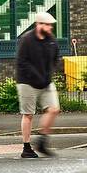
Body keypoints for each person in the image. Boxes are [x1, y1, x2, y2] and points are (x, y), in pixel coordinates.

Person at [15, 10, 61, 158]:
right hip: (27, 82)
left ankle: (42, 141)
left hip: (46, 82)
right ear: (38, 25)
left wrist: (48, 74)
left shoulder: (51, 40)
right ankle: (27, 148)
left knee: (54, 109)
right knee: (28, 114)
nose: (50, 28)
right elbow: (22, 62)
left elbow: (55, 58)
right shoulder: (26, 40)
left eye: (50, 25)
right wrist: (35, 76)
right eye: (47, 25)